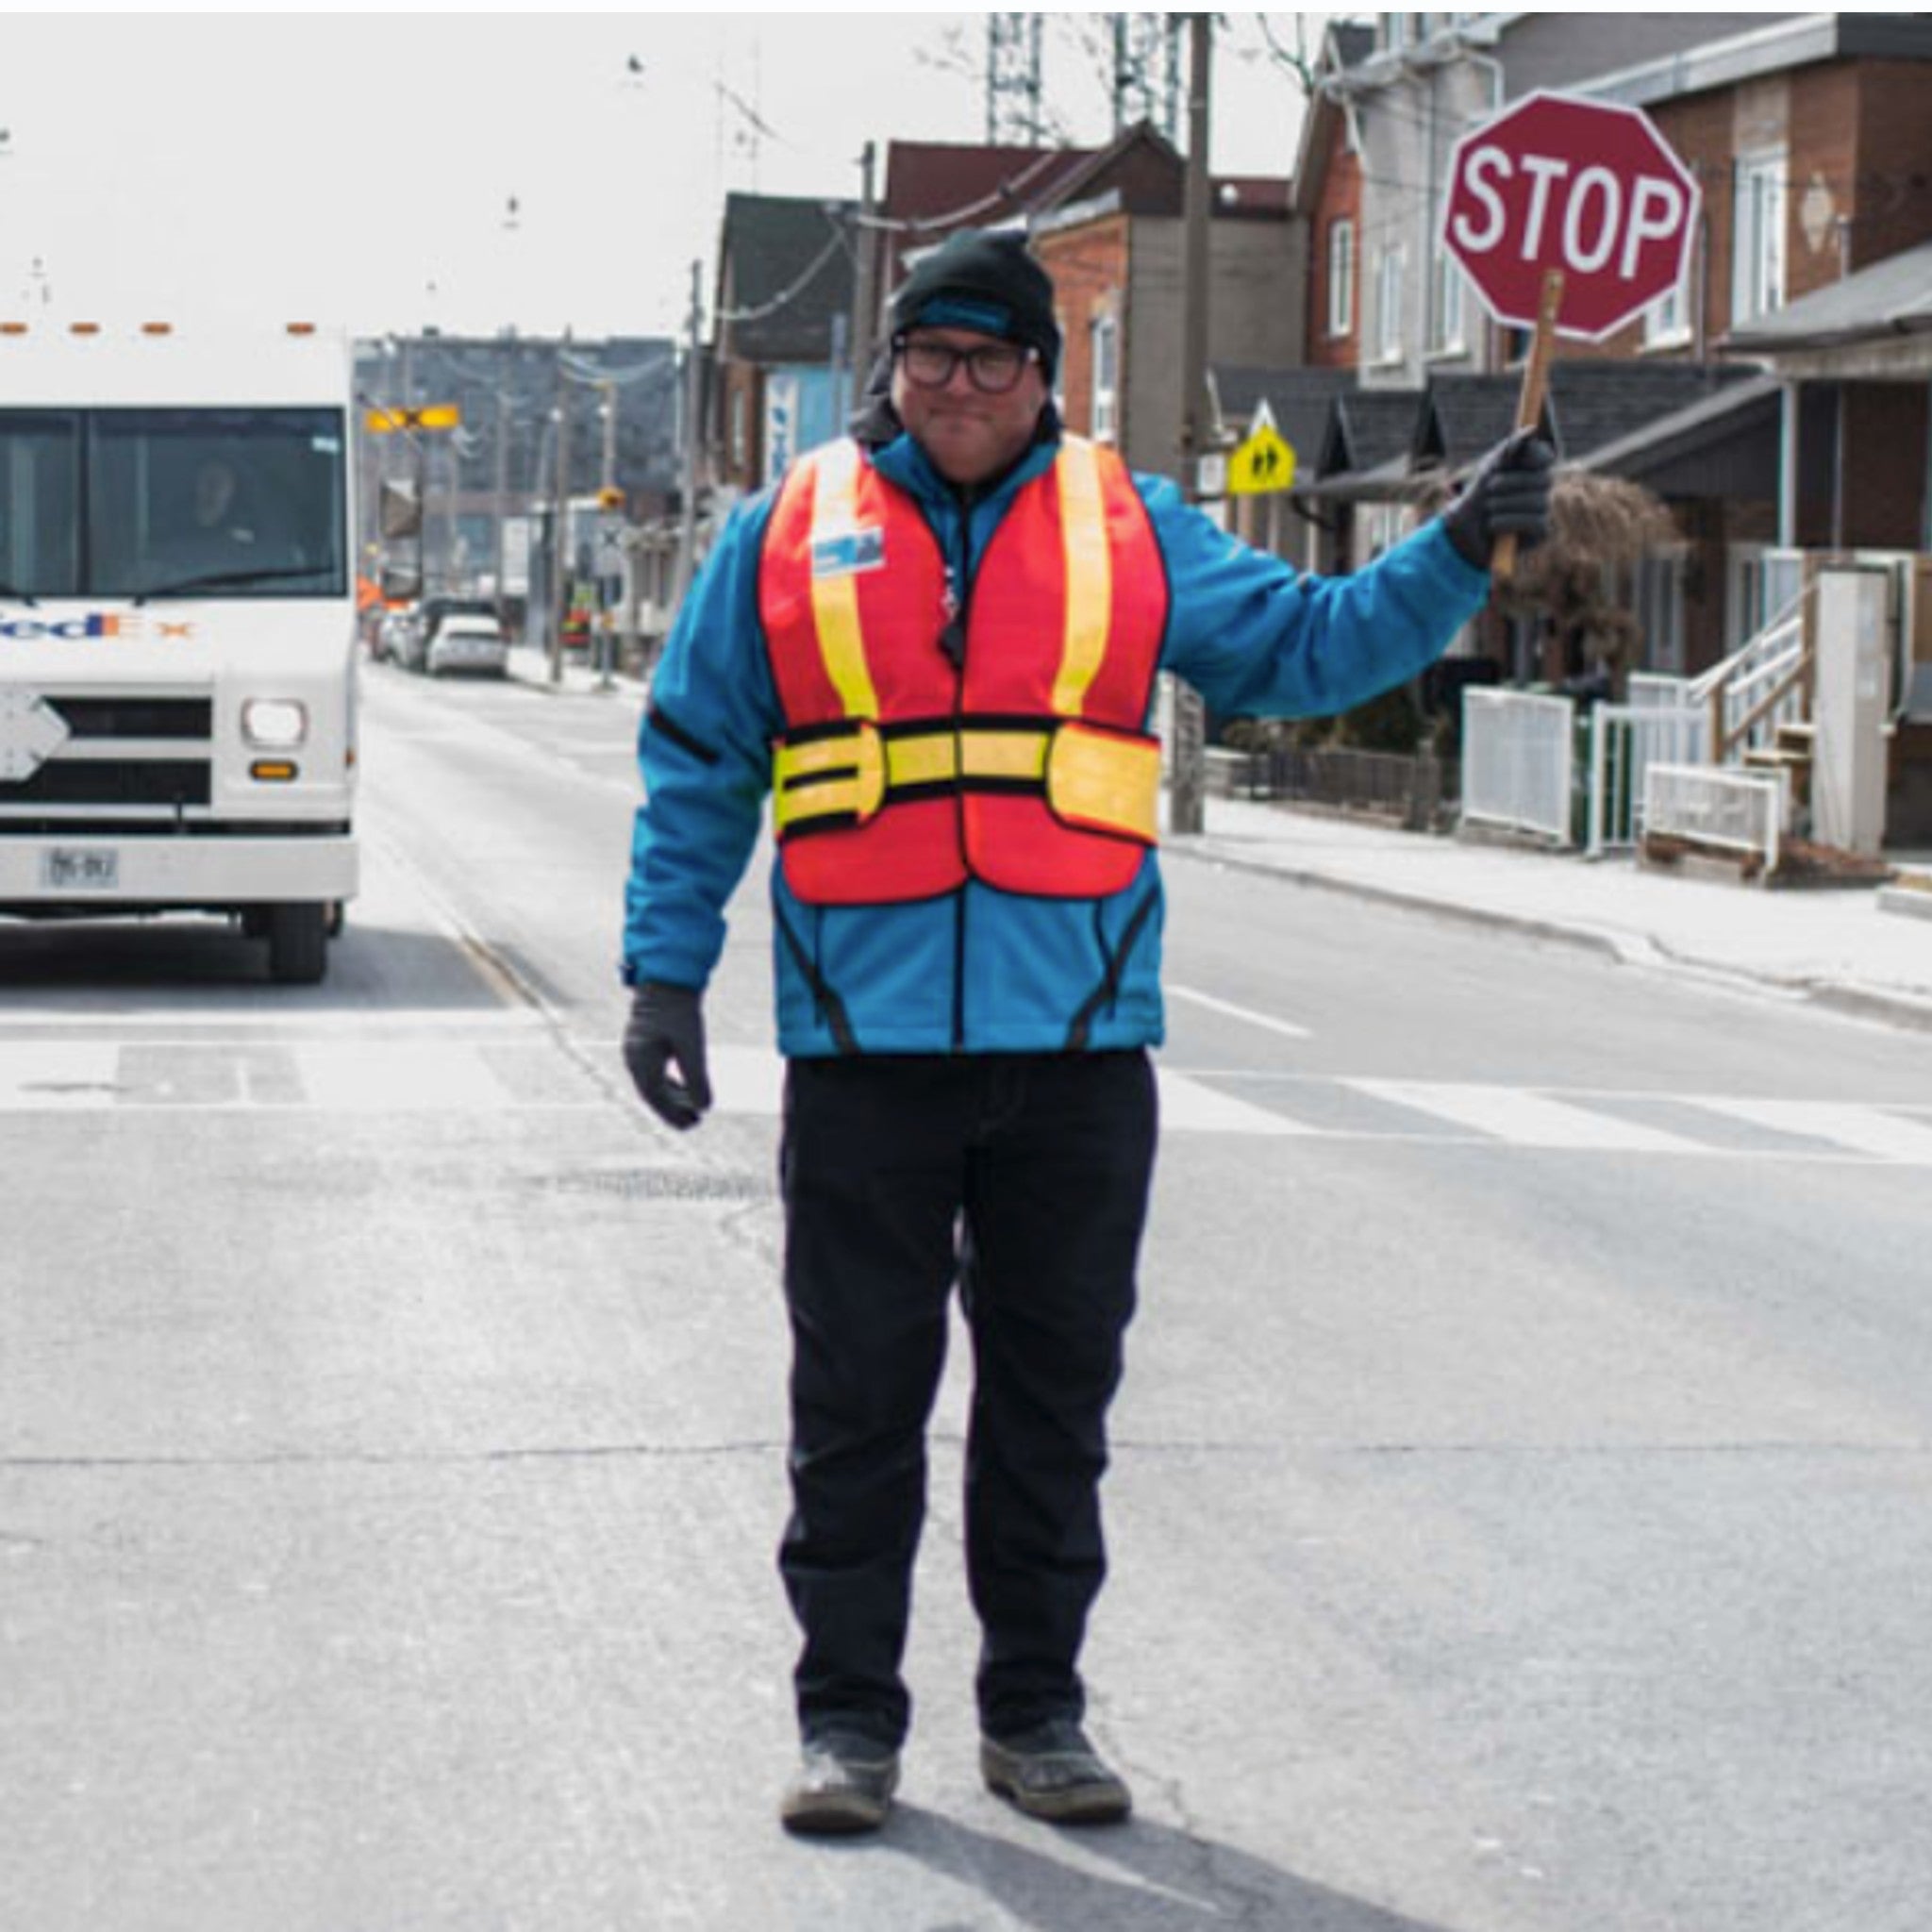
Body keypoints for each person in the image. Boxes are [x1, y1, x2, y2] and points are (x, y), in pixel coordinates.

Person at [620, 228, 1551, 1837]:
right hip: (862, 1057)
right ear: (889, 372)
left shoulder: (1133, 523)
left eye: (991, 359)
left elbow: (1313, 648)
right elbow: (700, 755)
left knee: (1050, 1413)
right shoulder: (787, 531)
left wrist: (1458, 544)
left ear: (1045, 373)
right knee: (855, 1414)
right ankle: (846, 1726)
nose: (958, 387)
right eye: (930, 358)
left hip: (1076, 1060)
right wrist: (662, 975)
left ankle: (1036, 1717)